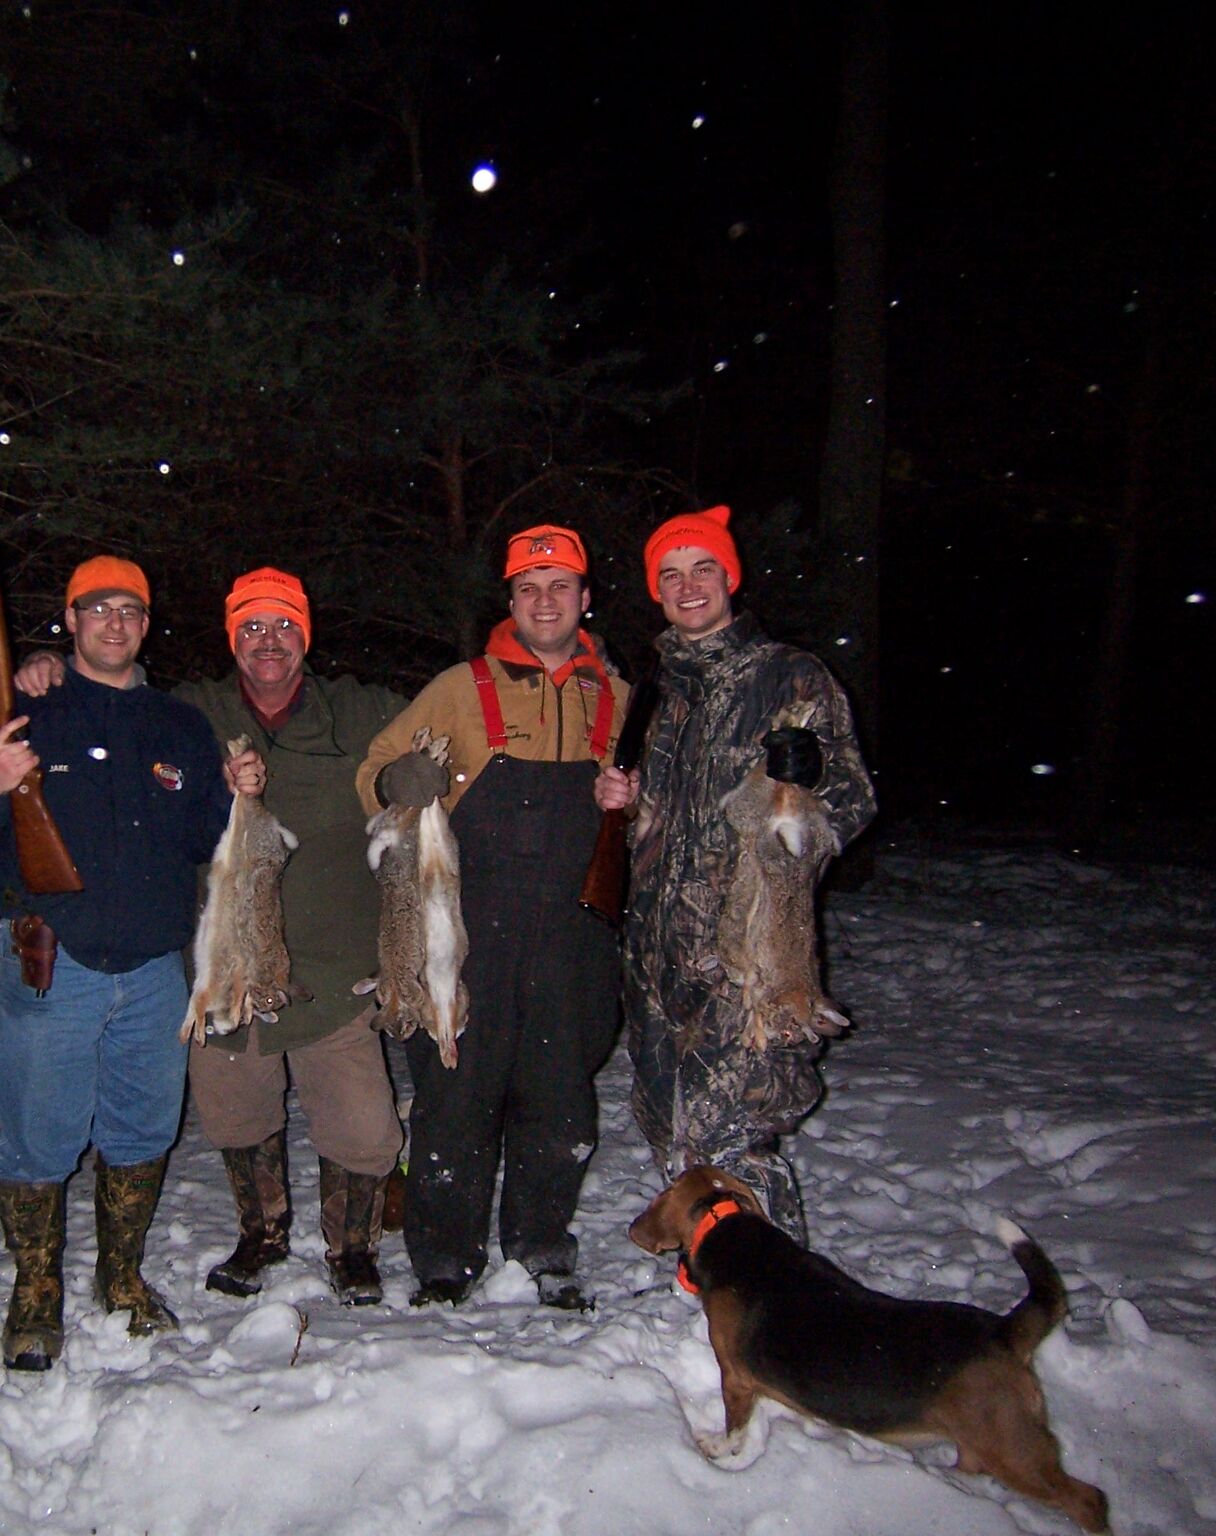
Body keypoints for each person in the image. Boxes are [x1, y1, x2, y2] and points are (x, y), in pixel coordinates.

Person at [14, 569, 407, 1305]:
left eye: (285, 626)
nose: (270, 641)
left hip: (333, 960)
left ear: (306, 637)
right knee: (236, 1113)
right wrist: (44, 671)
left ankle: (352, 1246)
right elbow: (110, 699)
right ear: (232, 638)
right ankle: (261, 1234)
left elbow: (440, 725)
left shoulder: (355, 709)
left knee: (365, 1130)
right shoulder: (190, 709)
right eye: (252, 626)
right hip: (227, 964)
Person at [0, 555, 265, 1372]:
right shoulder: (27, 709)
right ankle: (35, 1300)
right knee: (38, 1142)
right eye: (97, 609)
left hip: (156, 973)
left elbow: (201, 843)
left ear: (146, 625)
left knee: (143, 1131)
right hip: (53, 969)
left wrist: (233, 794)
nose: (115, 624)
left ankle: (121, 1282)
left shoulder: (178, 724)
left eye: (131, 611)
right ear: (71, 621)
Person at [355, 525, 632, 1310]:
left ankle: (544, 1246)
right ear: (510, 601)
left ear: (584, 598)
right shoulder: (459, 686)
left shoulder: (616, 698)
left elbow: (652, 817)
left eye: (560, 587)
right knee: (454, 1093)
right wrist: (399, 783)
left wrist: (634, 807)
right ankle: (444, 1258)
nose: (545, 602)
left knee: (559, 1097)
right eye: (528, 588)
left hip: (575, 932)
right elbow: (374, 771)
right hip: (466, 929)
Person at [602, 505, 876, 1243]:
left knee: (736, 1135)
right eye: (671, 574)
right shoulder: (652, 689)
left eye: (703, 570)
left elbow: (852, 803)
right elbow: (649, 821)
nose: (688, 587)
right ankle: (711, 1273)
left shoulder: (790, 677)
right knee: (672, 1130)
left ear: (731, 576)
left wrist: (810, 782)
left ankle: (776, 1294)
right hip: (655, 956)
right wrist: (620, 804)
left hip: (745, 958)